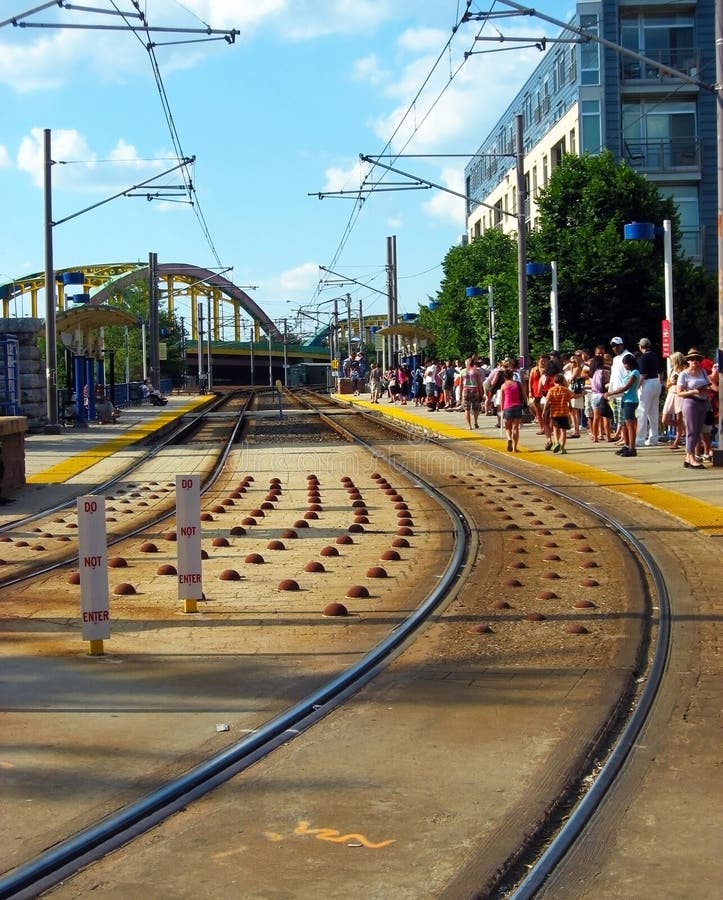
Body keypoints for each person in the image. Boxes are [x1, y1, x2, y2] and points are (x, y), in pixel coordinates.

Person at [676, 348, 711, 469]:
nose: (694, 361)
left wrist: (706, 389)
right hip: (690, 402)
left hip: (703, 402)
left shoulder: (703, 372)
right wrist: (693, 391)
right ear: (688, 361)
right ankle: (691, 457)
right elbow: (679, 392)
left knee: (698, 430)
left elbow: (708, 385)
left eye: (697, 359)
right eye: (691, 359)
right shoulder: (684, 374)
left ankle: (688, 457)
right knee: (691, 430)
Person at [604, 352, 640, 457]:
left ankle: (632, 448)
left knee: (630, 425)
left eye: (626, 364)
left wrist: (611, 393)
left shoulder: (635, 373)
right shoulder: (629, 373)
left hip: (631, 401)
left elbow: (626, 387)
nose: (625, 366)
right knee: (624, 424)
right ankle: (626, 445)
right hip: (625, 400)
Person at [635, 338, 663, 446]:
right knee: (654, 412)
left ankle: (640, 439)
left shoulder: (643, 357)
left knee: (642, 411)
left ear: (641, 346)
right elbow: (661, 372)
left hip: (647, 383)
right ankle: (654, 438)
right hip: (656, 382)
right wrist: (660, 384)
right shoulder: (655, 356)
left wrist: (637, 386)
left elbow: (643, 375)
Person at [661, 351, 686, 449]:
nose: (671, 362)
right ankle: (683, 427)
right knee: (664, 419)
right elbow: (667, 384)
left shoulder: (684, 370)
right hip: (671, 394)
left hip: (679, 395)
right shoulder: (672, 370)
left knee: (679, 418)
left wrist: (678, 381)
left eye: (672, 360)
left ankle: (676, 441)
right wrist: (671, 382)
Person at [543, 373, 572, 453]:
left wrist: (544, 410)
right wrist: (570, 405)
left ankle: (556, 442)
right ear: (562, 381)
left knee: (555, 428)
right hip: (564, 413)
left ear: (554, 381)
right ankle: (562, 447)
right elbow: (570, 397)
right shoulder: (565, 390)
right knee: (563, 430)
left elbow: (547, 401)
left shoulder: (551, 390)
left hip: (555, 413)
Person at [499, 366, 526, 451]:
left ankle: (509, 438)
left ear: (504, 377)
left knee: (508, 428)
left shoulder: (503, 386)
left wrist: (501, 409)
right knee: (515, 428)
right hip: (517, 406)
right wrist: (526, 403)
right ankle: (514, 448)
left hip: (507, 408)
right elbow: (524, 394)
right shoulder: (518, 384)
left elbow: (502, 399)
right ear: (512, 375)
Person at [608, 337, 627, 441]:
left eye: (616, 345)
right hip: (615, 392)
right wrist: (610, 391)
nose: (614, 348)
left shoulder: (627, 356)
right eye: (613, 346)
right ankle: (622, 436)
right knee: (619, 418)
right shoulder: (615, 359)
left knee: (624, 418)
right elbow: (613, 376)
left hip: (623, 392)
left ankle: (625, 438)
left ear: (621, 345)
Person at [460, 357, 484, 430]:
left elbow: (461, 384)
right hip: (475, 390)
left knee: (467, 409)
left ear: (466, 363)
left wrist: (460, 394)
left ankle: (469, 426)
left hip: (466, 390)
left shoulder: (462, 371)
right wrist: (481, 393)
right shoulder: (476, 371)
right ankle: (475, 422)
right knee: (476, 408)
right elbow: (479, 383)